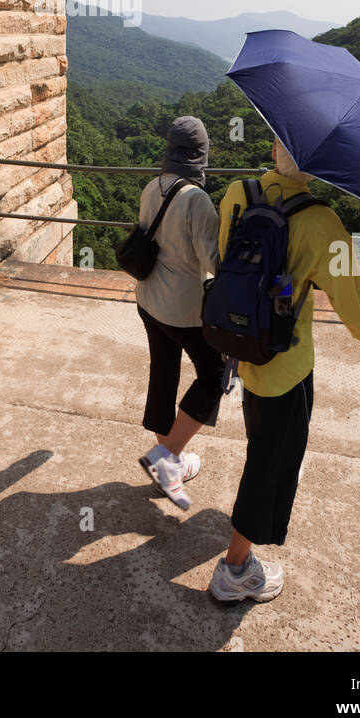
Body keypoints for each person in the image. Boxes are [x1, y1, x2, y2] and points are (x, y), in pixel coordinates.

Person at [207, 137, 360, 606]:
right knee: (269, 465)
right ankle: (235, 570)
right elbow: (351, 292)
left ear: (273, 151)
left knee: (260, 446)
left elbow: (225, 257)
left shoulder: (237, 193)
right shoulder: (320, 222)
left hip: (241, 347)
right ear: (316, 169)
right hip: (286, 364)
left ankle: (241, 551)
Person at [135, 116, 224, 511]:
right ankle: (167, 459)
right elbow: (212, 262)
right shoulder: (197, 199)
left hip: (147, 300)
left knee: (164, 371)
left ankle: (171, 458)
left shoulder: (151, 187)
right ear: (201, 154)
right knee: (214, 374)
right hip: (181, 308)